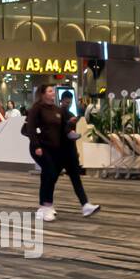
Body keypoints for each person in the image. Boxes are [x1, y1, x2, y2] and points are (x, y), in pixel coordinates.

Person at [25, 83, 99, 222]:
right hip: (41, 148)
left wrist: (70, 128)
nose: (53, 93)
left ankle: (44, 206)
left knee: (49, 175)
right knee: (50, 173)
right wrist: (36, 146)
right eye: (50, 91)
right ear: (43, 94)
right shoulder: (37, 109)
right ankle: (47, 206)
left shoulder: (57, 110)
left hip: (54, 149)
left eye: (53, 91)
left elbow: (62, 128)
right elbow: (30, 128)